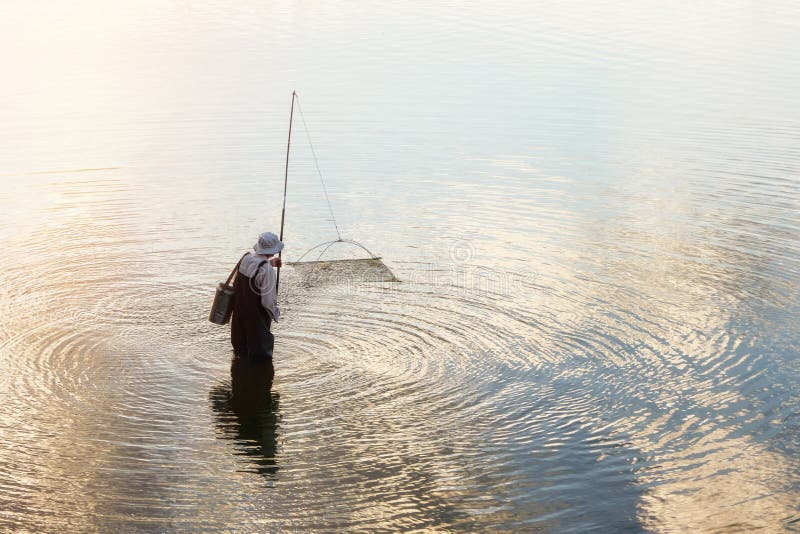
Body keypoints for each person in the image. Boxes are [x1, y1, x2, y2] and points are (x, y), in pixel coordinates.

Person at [230, 231, 284, 359]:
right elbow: (267, 302)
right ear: (274, 250)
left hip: (239, 316)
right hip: (256, 319)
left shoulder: (245, 258)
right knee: (259, 357)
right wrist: (275, 313)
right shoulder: (268, 270)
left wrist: (270, 263)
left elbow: (254, 270)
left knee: (241, 353)